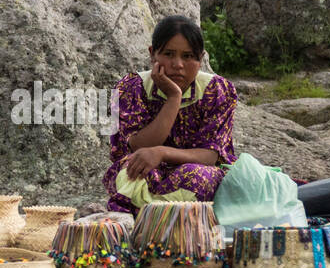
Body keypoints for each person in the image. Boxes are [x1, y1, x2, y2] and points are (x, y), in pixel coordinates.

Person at [102, 14, 237, 214]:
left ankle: (151, 214)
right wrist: (174, 99)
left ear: (201, 58)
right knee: (128, 175)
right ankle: (162, 213)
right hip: (145, 167)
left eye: (188, 56)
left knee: (199, 177)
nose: (178, 64)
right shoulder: (130, 88)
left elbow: (210, 155)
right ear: (152, 54)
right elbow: (139, 146)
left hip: (196, 170)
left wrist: (162, 152)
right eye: (168, 53)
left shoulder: (216, 90)